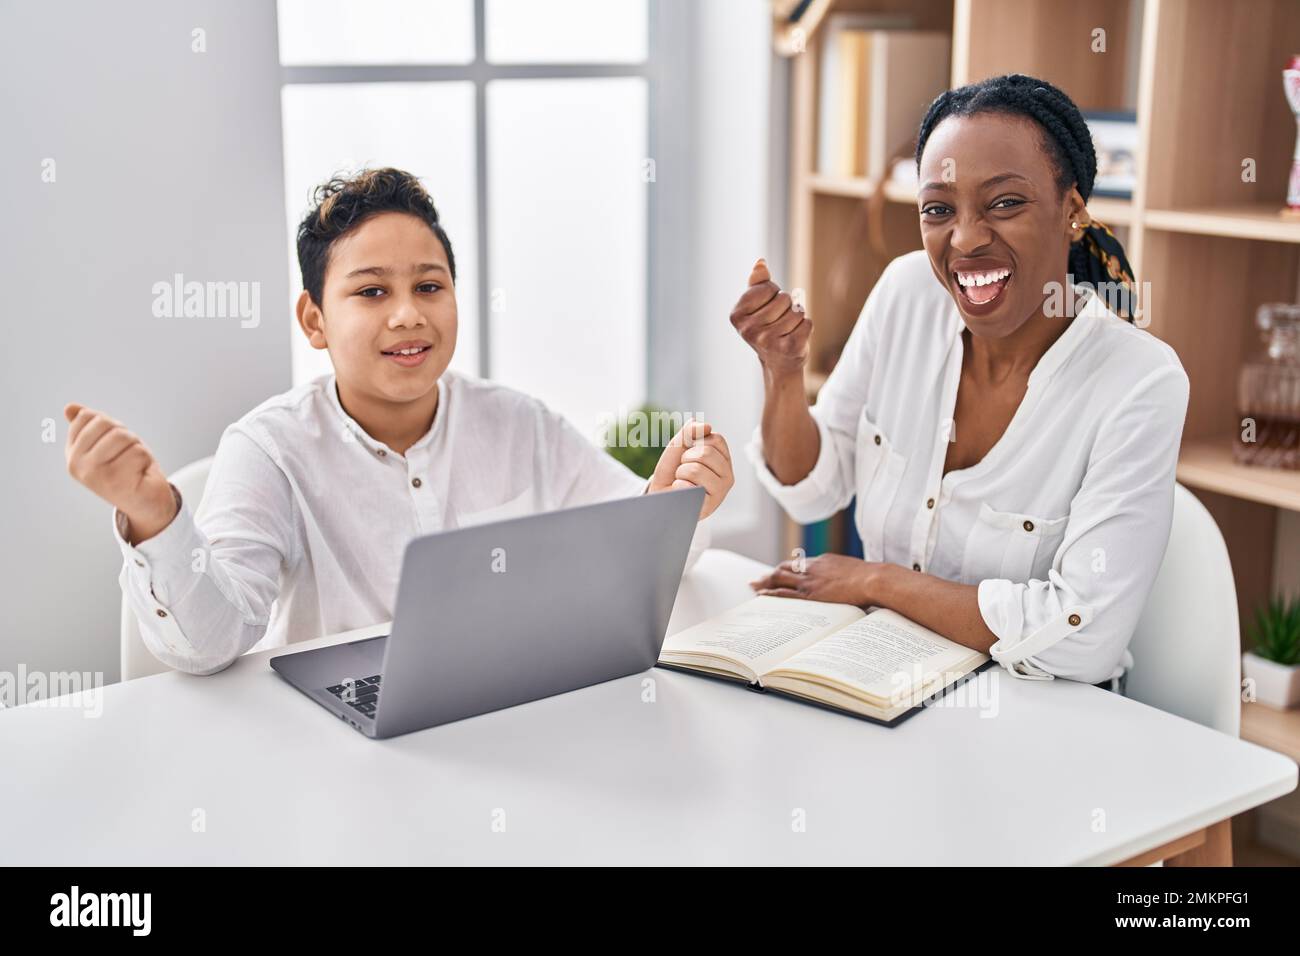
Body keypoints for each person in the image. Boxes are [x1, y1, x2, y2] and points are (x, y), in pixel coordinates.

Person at [65, 167, 734, 675]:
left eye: (429, 286)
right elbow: (210, 643)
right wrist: (153, 514)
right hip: (335, 752)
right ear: (314, 320)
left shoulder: (518, 423)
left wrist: (674, 503)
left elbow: (629, 546)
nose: (409, 314)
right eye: (372, 291)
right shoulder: (269, 450)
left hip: (500, 710)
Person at [738, 74, 1188, 689]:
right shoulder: (905, 293)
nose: (967, 239)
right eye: (939, 209)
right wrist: (783, 372)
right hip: (882, 677)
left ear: (1073, 210)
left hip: (1047, 718)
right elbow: (810, 489)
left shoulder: (1140, 381)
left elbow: (1081, 640)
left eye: (1005, 203)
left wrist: (876, 581)